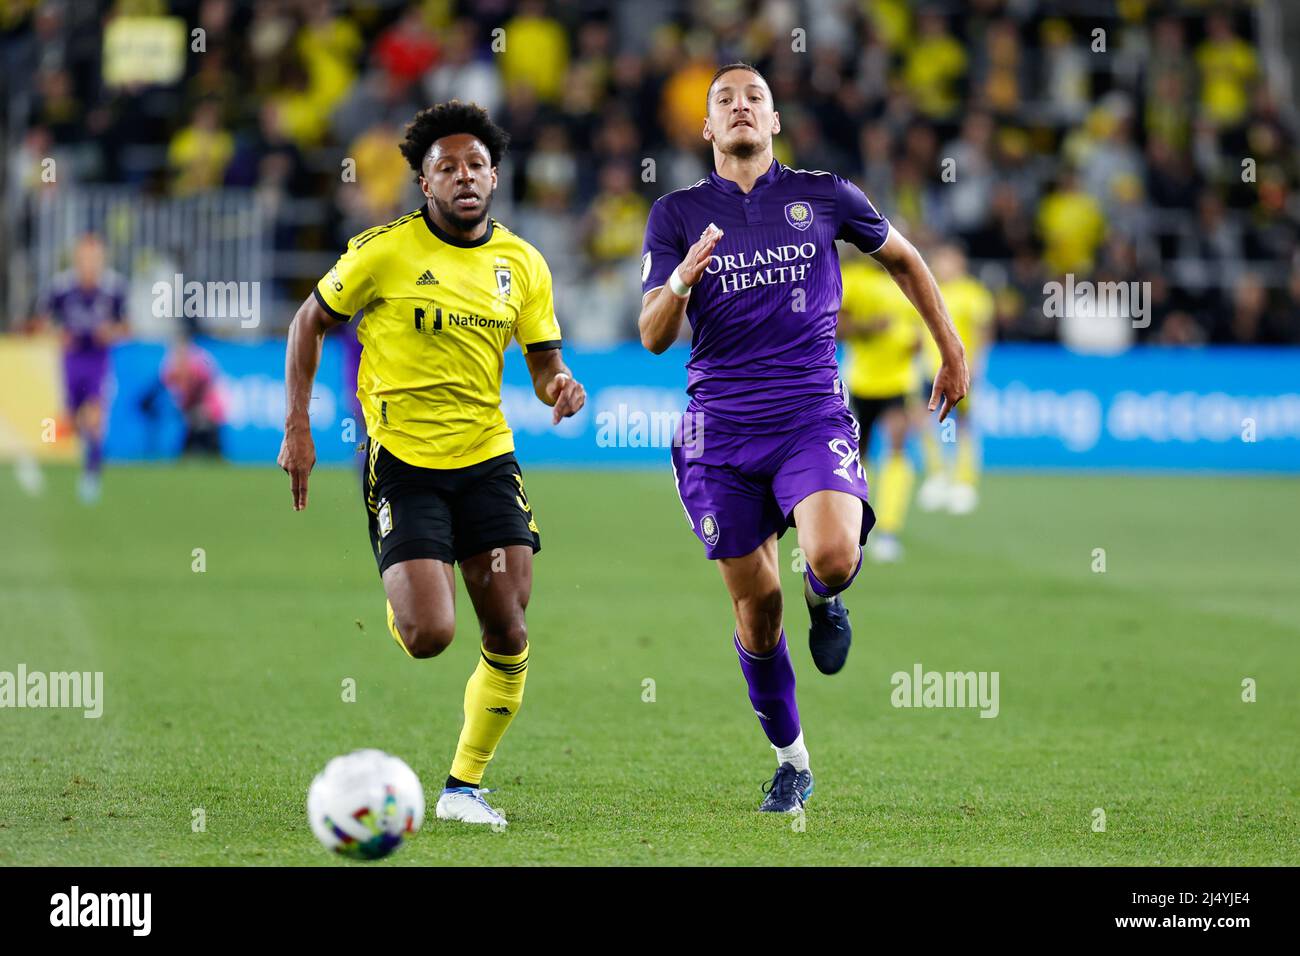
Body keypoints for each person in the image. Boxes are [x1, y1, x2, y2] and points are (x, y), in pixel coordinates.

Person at [637, 63, 968, 813]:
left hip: (809, 413)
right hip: (717, 431)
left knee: (833, 554)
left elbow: (907, 260)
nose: (742, 107)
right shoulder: (677, 215)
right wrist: (683, 280)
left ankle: (827, 598)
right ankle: (792, 761)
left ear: (775, 120)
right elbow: (653, 335)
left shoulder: (824, 195)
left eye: (755, 96)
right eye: (726, 99)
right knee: (757, 614)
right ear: (707, 128)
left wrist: (950, 349)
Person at [276, 101, 586, 828]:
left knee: (508, 626)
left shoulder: (522, 263)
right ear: (423, 181)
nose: (465, 177)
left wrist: (560, 388)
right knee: (429, 636)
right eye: (447, 167)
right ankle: (407, 578)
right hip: (404, 461)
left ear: (495, 176)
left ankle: (463, 788)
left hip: (487, 459)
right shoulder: (383, 252)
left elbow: (545, 366)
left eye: (476, 165)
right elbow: (308, 321)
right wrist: (298, 423)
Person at [839, 251, 922, 562]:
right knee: (856, 457)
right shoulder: (855, 281)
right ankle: (855, 527)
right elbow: (836, 328)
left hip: (899, 381)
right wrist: (869, 328)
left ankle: (889, 529)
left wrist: (917, 343)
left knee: (897, 449)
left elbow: (917, 328)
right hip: (861, 381)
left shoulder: (906, 279)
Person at [33, 233, 128, 503]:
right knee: (72, 419)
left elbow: (126, 326)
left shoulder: (114, 287)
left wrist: (111, 332)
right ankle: (53, 437)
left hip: (98, 359)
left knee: (95, 416)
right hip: (71, 359)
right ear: (77, 259)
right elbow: (42, 321)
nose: (89, 263)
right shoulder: (61, 287)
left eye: (95, 258)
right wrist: (58, 332)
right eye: (85, 258)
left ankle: (91, 474)